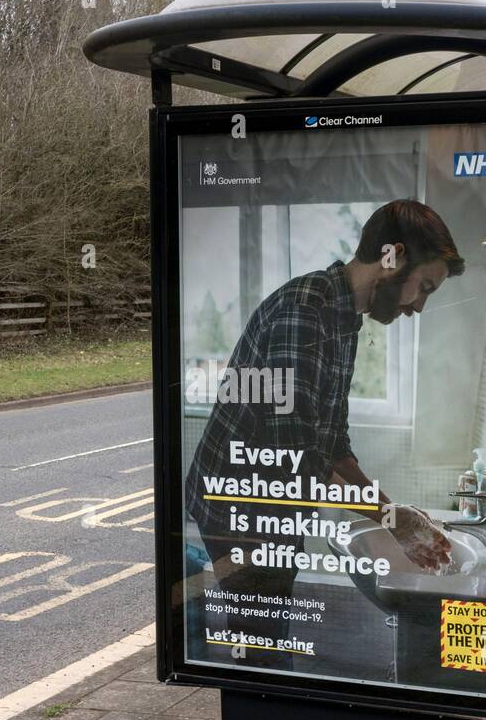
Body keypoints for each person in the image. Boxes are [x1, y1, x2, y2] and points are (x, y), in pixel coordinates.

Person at [185, 199, 466, 667]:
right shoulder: (304, 313)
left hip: (272, 496)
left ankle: (268, 705)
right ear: (391, 258)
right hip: (239, 501)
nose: (418, 305)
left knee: (269, 615)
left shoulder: (343, 319)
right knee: (261, 630)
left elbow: (331, 441)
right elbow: (296, 454)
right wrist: (390, 517)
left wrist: (391, 511)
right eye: (423, 287)